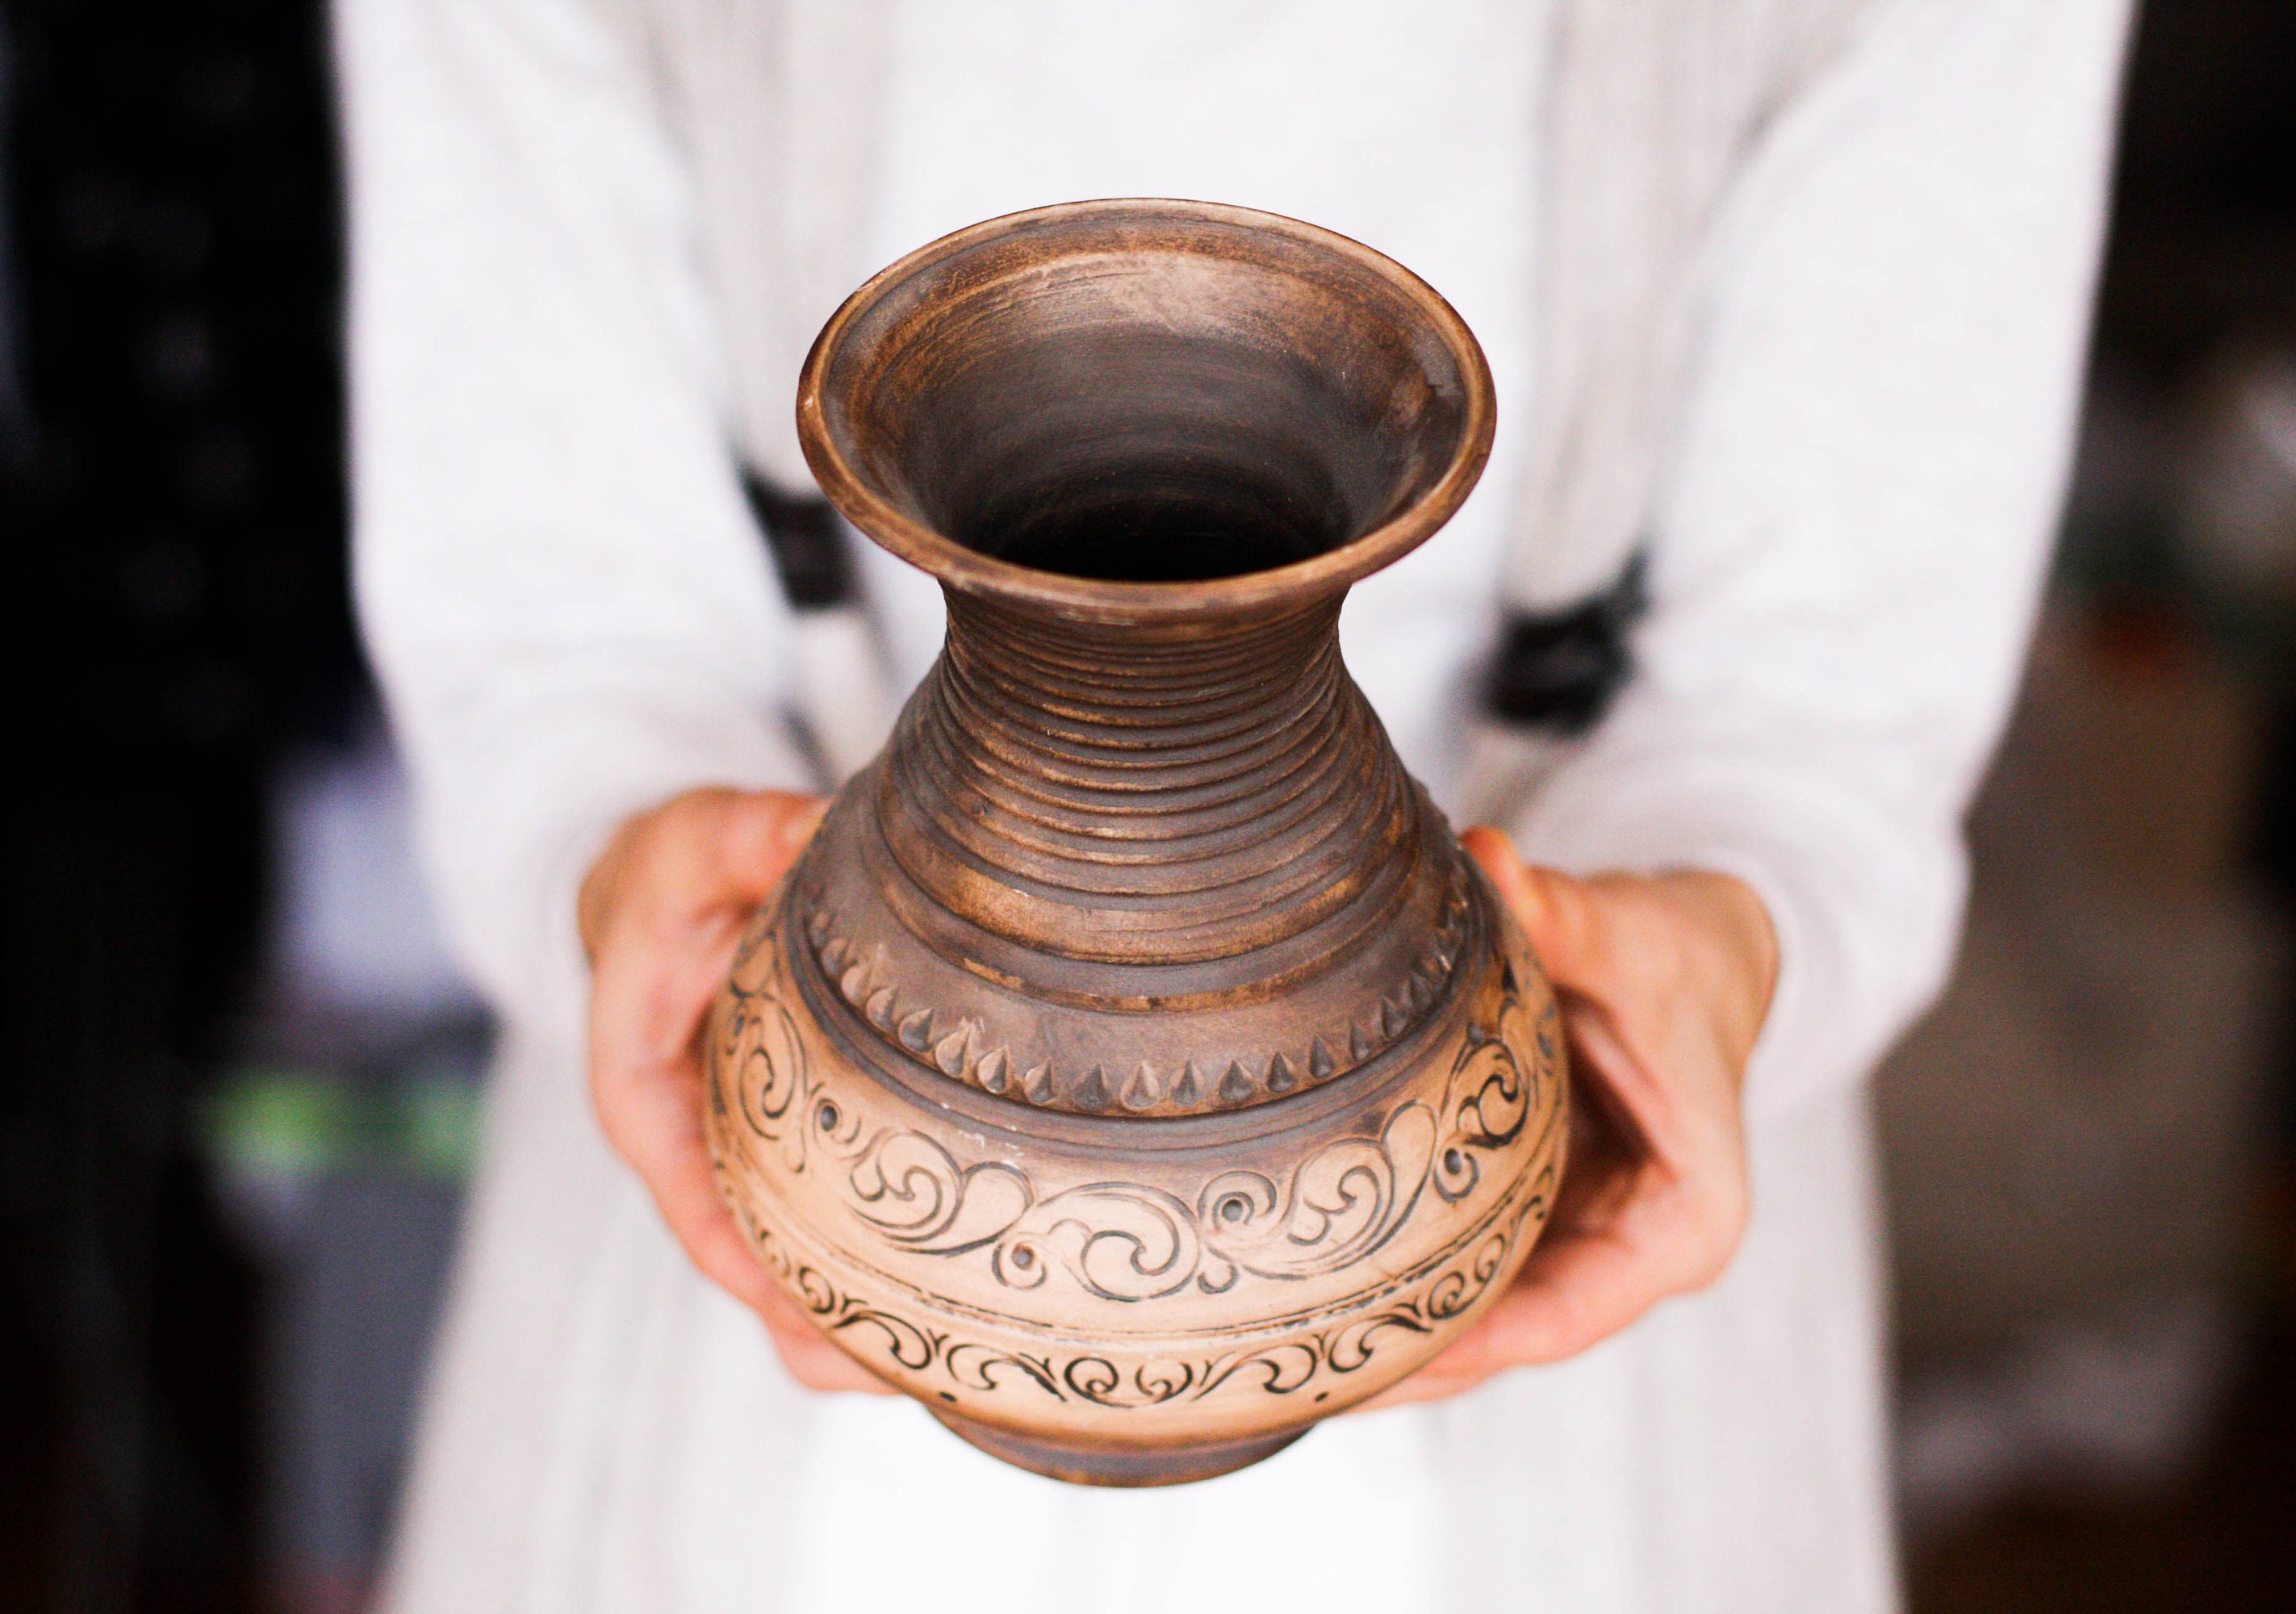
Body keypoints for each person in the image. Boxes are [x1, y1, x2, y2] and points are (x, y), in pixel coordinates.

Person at [339, 0, 2134, 1609]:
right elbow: (552, 616)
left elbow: (1823, 696)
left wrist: (1725, 936)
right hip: (709, 1415)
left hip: (1588, 1468)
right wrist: (618, 844)